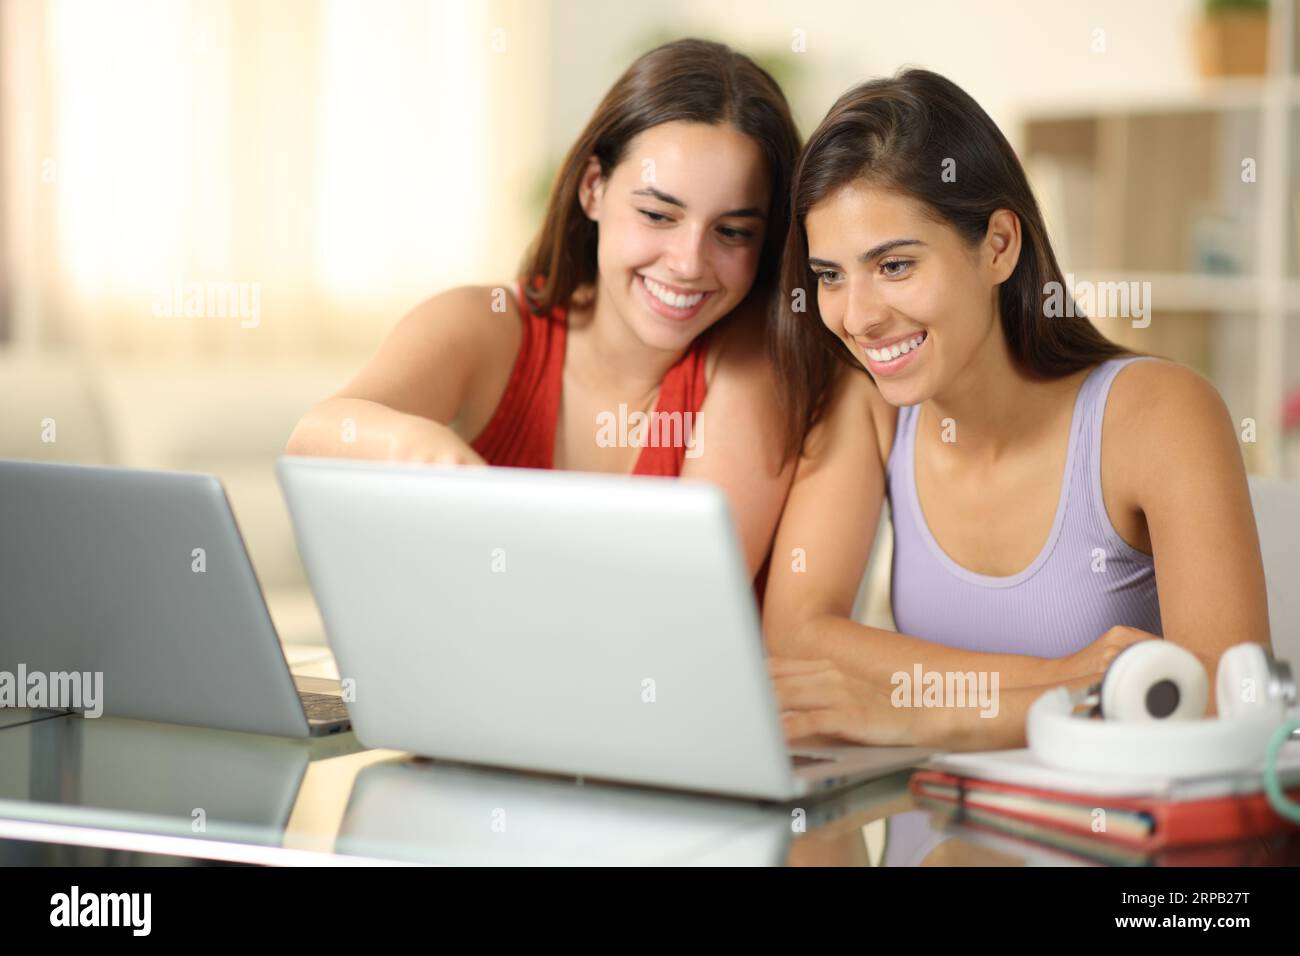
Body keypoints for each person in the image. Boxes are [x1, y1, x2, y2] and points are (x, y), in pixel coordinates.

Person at [763, 68, 1270, 749]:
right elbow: (797, 641)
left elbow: (1225, 700)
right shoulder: (869, 402)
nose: (857, 318)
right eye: (830, 276)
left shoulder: (1158, 414)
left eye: (894, 266)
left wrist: (923, 712)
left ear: (998, 246)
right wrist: (1062, 682)